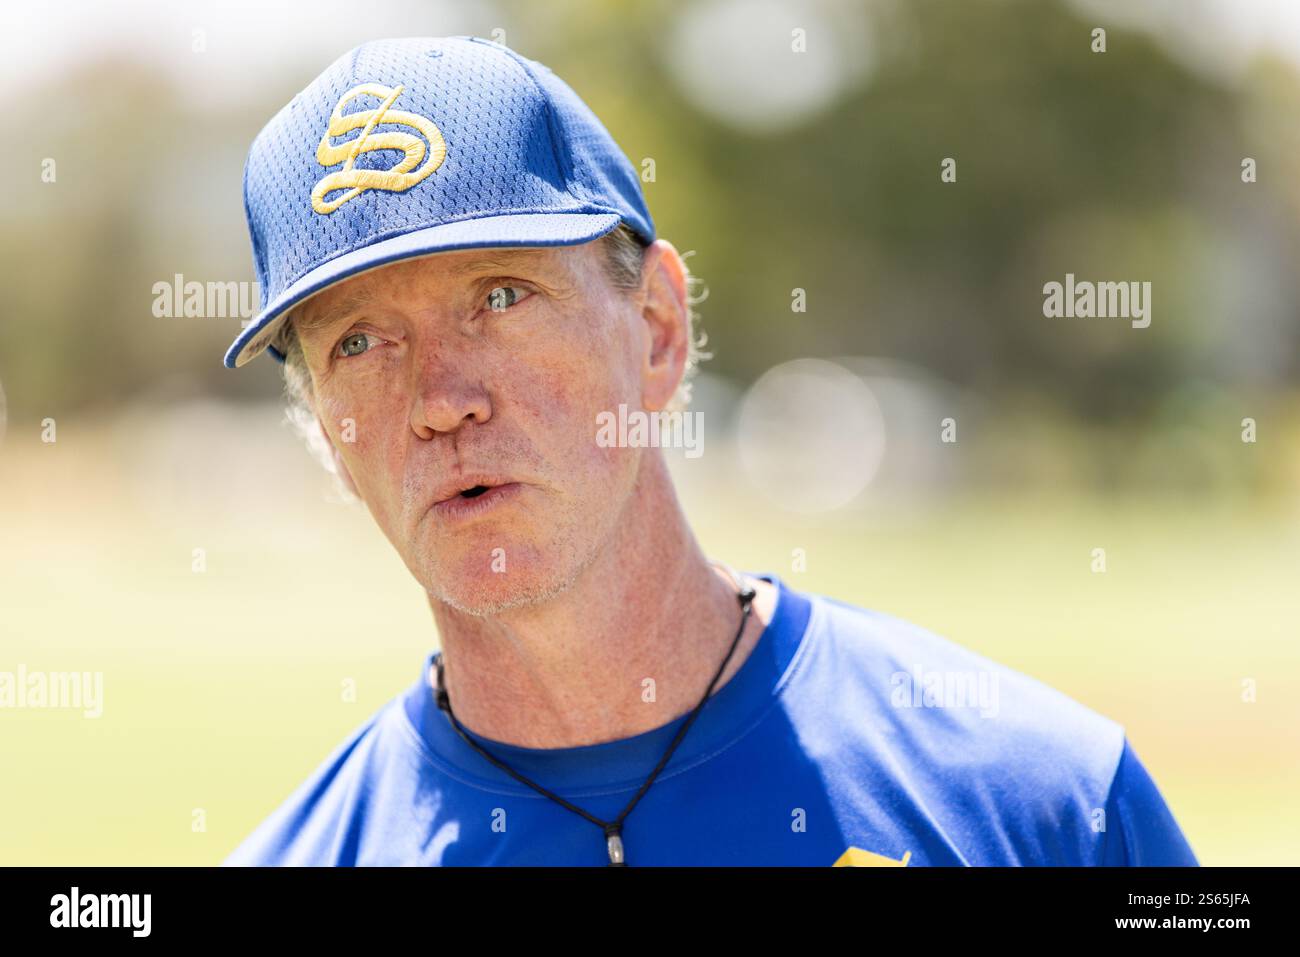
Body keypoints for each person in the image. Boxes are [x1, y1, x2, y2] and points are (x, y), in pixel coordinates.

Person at [221, 36, 1197, 866]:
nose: (441, 399)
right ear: (323, 432)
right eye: (359, 342)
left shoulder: (1040, 801)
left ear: (654, 328)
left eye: (501, 298)